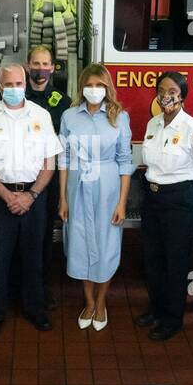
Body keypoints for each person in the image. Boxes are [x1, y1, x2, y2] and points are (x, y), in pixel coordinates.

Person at [0, 63, 62, 339]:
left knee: (34, 256)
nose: (13, 89)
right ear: (0, 87)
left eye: (18, 84)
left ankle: (35, 308)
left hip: (34, 198)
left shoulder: (42, 116)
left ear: (25, 84)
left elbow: (50, 164)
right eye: (7, 85)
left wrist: (31, 195)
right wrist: (9, 196)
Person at [137, 71, 193, 342]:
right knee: (154, 259)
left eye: (172, 90)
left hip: (180, 202)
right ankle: (156, 309)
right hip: (153, 198)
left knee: (175, 262)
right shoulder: (153, 124)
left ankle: (172, 319)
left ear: (182, 95)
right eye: (161, 89)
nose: (165, 95)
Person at [58, 64, 134, 331]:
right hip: (77, 186)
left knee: (105, 245)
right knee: (79, 244)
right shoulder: (69, 116)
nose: (94, 90)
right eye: (89, 85)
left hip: (107, 188)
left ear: (107, 88)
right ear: (81, 87)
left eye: (99, 85)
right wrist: (63, 199)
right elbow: (64, 159)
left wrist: (122, 202)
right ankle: (88, 301)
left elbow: (125, 161)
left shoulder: (119, 117)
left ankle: (101, 302)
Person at [25, 45, 70, 310]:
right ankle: (18, 286)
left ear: (53, 68)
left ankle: (42, 287)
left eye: (46, 64)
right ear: (28, 64)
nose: (41, 69)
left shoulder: (62, 101)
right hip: (22, 176)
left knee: (42, 237)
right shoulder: (18, 96)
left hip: (48, 180)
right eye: (36, 63)